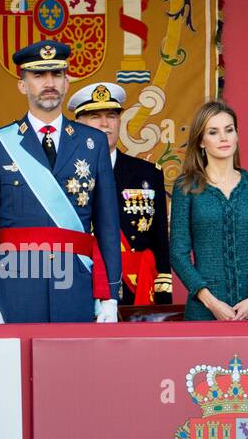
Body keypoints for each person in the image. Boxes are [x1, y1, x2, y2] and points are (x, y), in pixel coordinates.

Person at [0, 40, 122, 323]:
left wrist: (110, 297)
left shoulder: (94, 143)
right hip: (15, 285)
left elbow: (108, 227)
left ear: (66, 83)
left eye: (56, 74)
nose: (49, 82)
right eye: (39, 75)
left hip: (77, 287)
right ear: (22, 84)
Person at [169, 101, 248, 321]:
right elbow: (178, 254)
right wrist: (210, 301)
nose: (224, 138)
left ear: (237, 134)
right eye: (213, 132)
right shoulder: (186, 186)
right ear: (201, 141)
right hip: (203, 309)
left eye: (229, 130)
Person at [67, 82, 172, 305]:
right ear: (78, 124)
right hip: (83, 286)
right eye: (95, 116)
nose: (105, 124)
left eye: (112, 116)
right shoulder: (64, 174)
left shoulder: (148, 174)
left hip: (136, 289)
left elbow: (160, 240)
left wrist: (163, 293)